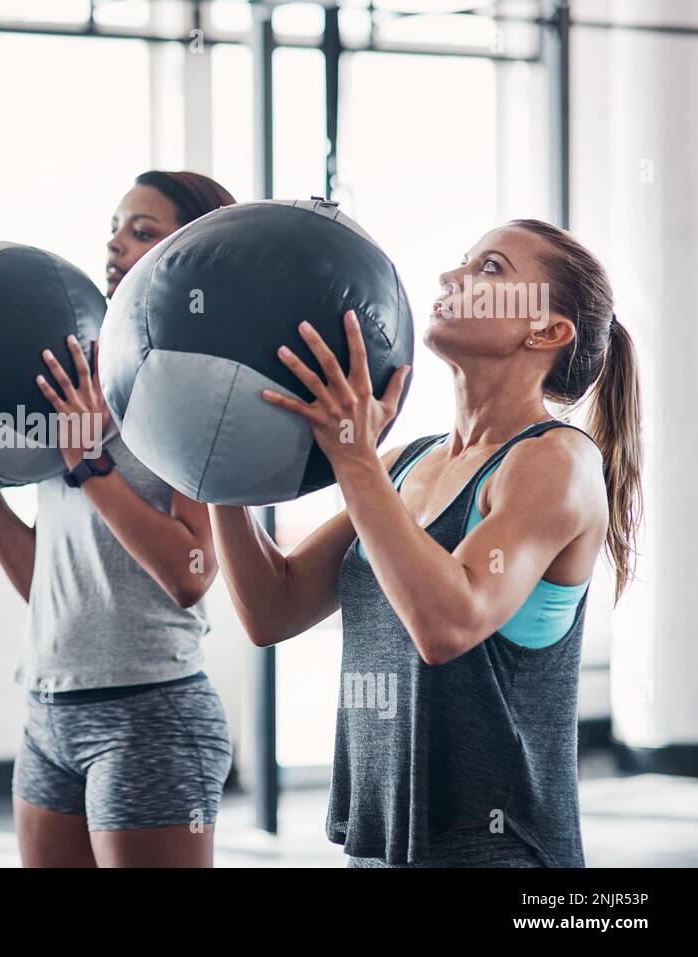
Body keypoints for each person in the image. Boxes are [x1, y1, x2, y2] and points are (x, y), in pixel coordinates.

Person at [211, 219, 643, 867]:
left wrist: (354, 460)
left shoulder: (555, 461)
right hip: (381, 842)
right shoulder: (404, 464)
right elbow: (273, 607)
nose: (451, 278)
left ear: (547, 330)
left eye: (490, 269)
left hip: (495, 849)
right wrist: (216, 468)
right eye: (461, 261)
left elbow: (449, 622)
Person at [0, 170, 237, 868]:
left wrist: (90, 464)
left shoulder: (192, 391)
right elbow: (44, 583)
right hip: (48, 705)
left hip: (152, 711)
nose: (116, 243)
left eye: (142, 231)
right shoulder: (78, 385)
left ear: (189, 252)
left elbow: (191, 572)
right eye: (116, 228)